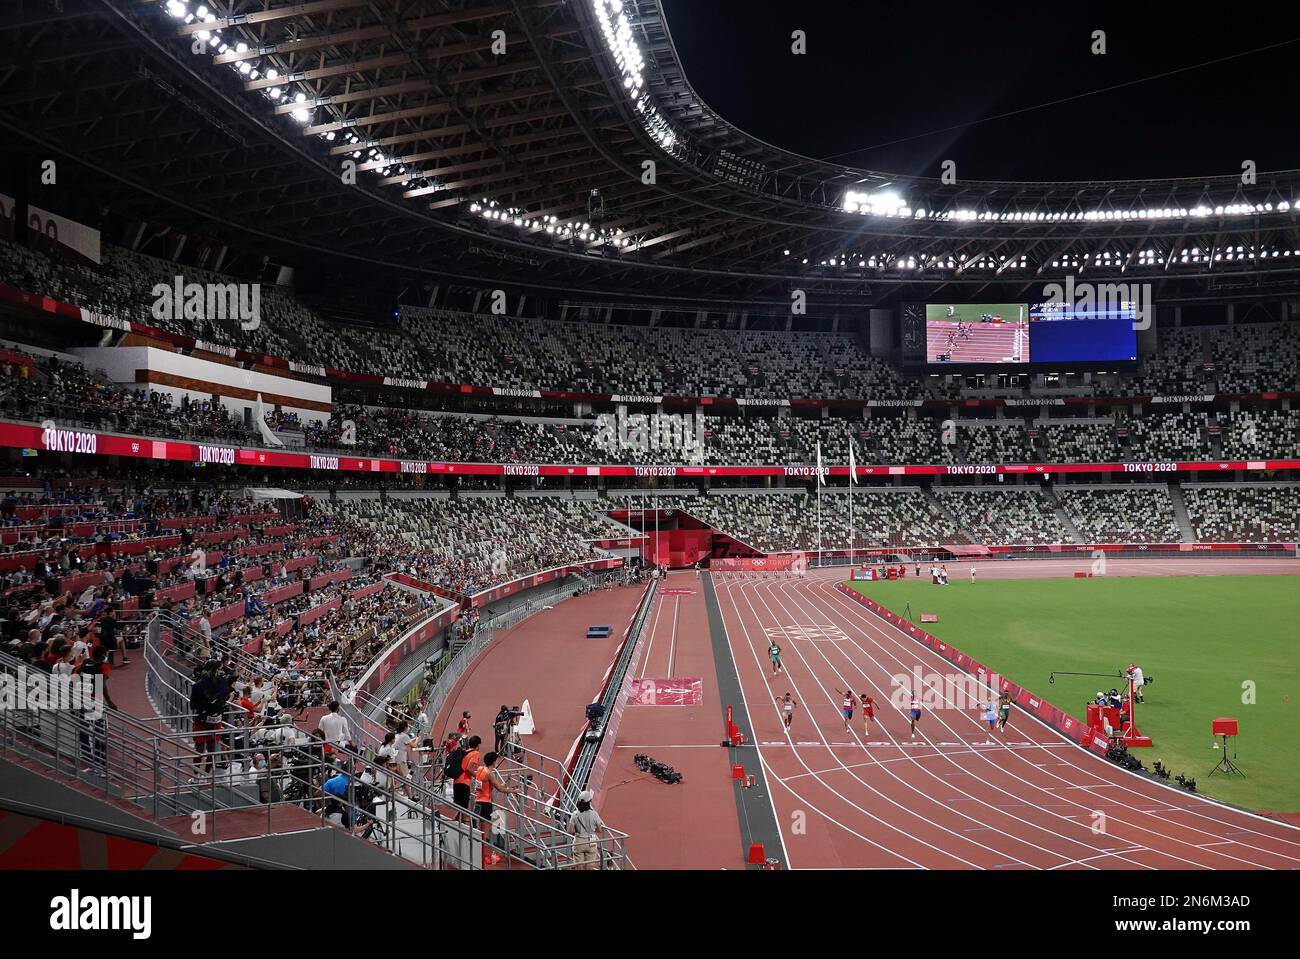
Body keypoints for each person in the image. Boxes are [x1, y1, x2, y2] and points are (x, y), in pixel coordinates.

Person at [473, 751, 520, 865]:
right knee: (484, 832)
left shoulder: (479, 770)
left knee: (479, 830)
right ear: (494, 761)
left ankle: (481, 855)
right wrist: (513, 790)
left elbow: (486, 785)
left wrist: (499, 785)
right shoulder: (489, 773)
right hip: (486, 804)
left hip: (477, 802)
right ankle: (482, 857)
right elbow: (500, 789)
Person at [567, 789, 606, 870]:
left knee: (579, 867)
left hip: (579, 841)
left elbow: (570, 831)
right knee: (589, 867)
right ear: (589, 801)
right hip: (591, 841)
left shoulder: (575, 814)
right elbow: (600, 829)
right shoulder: (594, 814)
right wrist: (592, 828)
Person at [452, 735, 483, 822]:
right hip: (464, 782)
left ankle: (457, 821)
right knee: (464, 808)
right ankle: (464, 828)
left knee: (461, 807)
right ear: (477, 745)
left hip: (456, 781)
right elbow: (469, 768)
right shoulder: (475, 753)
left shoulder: (465, 752)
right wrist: (478, 776)